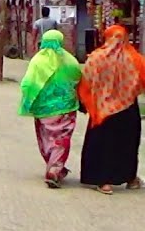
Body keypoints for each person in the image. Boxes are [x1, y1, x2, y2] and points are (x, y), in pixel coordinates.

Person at [76, 24, 145, 194]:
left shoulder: (96, 58)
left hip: (102, 110)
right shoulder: (134, 58)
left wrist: (87, 102)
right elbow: (142, 80)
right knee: (127, 144)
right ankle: (130, 178)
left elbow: (86, 81)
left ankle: (102, 181)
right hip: (127, 108)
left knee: (102, 144)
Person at [18, 29, 83, 188]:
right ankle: (55, 168)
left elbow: (27, 84)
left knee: (46, 138)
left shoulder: (37, 61)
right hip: (65, 109)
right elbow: (78, 79)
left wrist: (28, 100)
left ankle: (53, 166)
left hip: (43, 110)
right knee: (62, 139)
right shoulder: (70, 61)